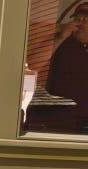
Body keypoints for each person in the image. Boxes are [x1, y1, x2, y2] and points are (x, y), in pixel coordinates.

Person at [47, 2, 88, 130]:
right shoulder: (64, 41)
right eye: (77, 17)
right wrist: (60, 34)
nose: (80, 21)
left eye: (86, 18)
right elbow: (36, 65)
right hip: (62, 117)